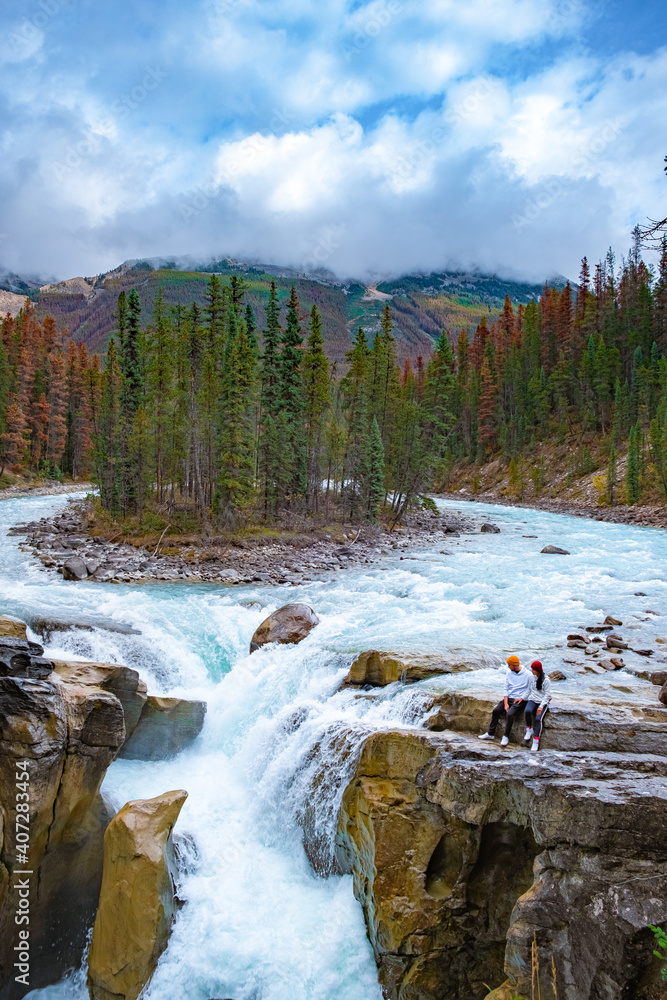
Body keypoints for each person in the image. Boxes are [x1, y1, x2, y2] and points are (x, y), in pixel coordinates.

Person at [478, 655, 531, 746]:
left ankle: (506, 736)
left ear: (514, 665)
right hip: (509, 698)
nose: (508, 667)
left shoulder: (528, 674)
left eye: (509, 665)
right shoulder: (509, 673)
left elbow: (529, 689)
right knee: (496, 711)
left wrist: (522, 698)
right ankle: (490, 734)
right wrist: (506, 703)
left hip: (520, 699)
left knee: (509, 714)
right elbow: (506, 689)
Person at [523, 660, 552, 753]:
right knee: (527, 711)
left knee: (538, 719)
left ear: (538, 670)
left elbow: (547, 695)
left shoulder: (546, 680)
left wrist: (541, 706)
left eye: (533, 669)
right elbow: (528, 690)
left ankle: (536, 740)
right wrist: (522, 698)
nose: (532, 671)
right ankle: (529, 729)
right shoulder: (531, 677)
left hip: (542, 702)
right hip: (532, 699)